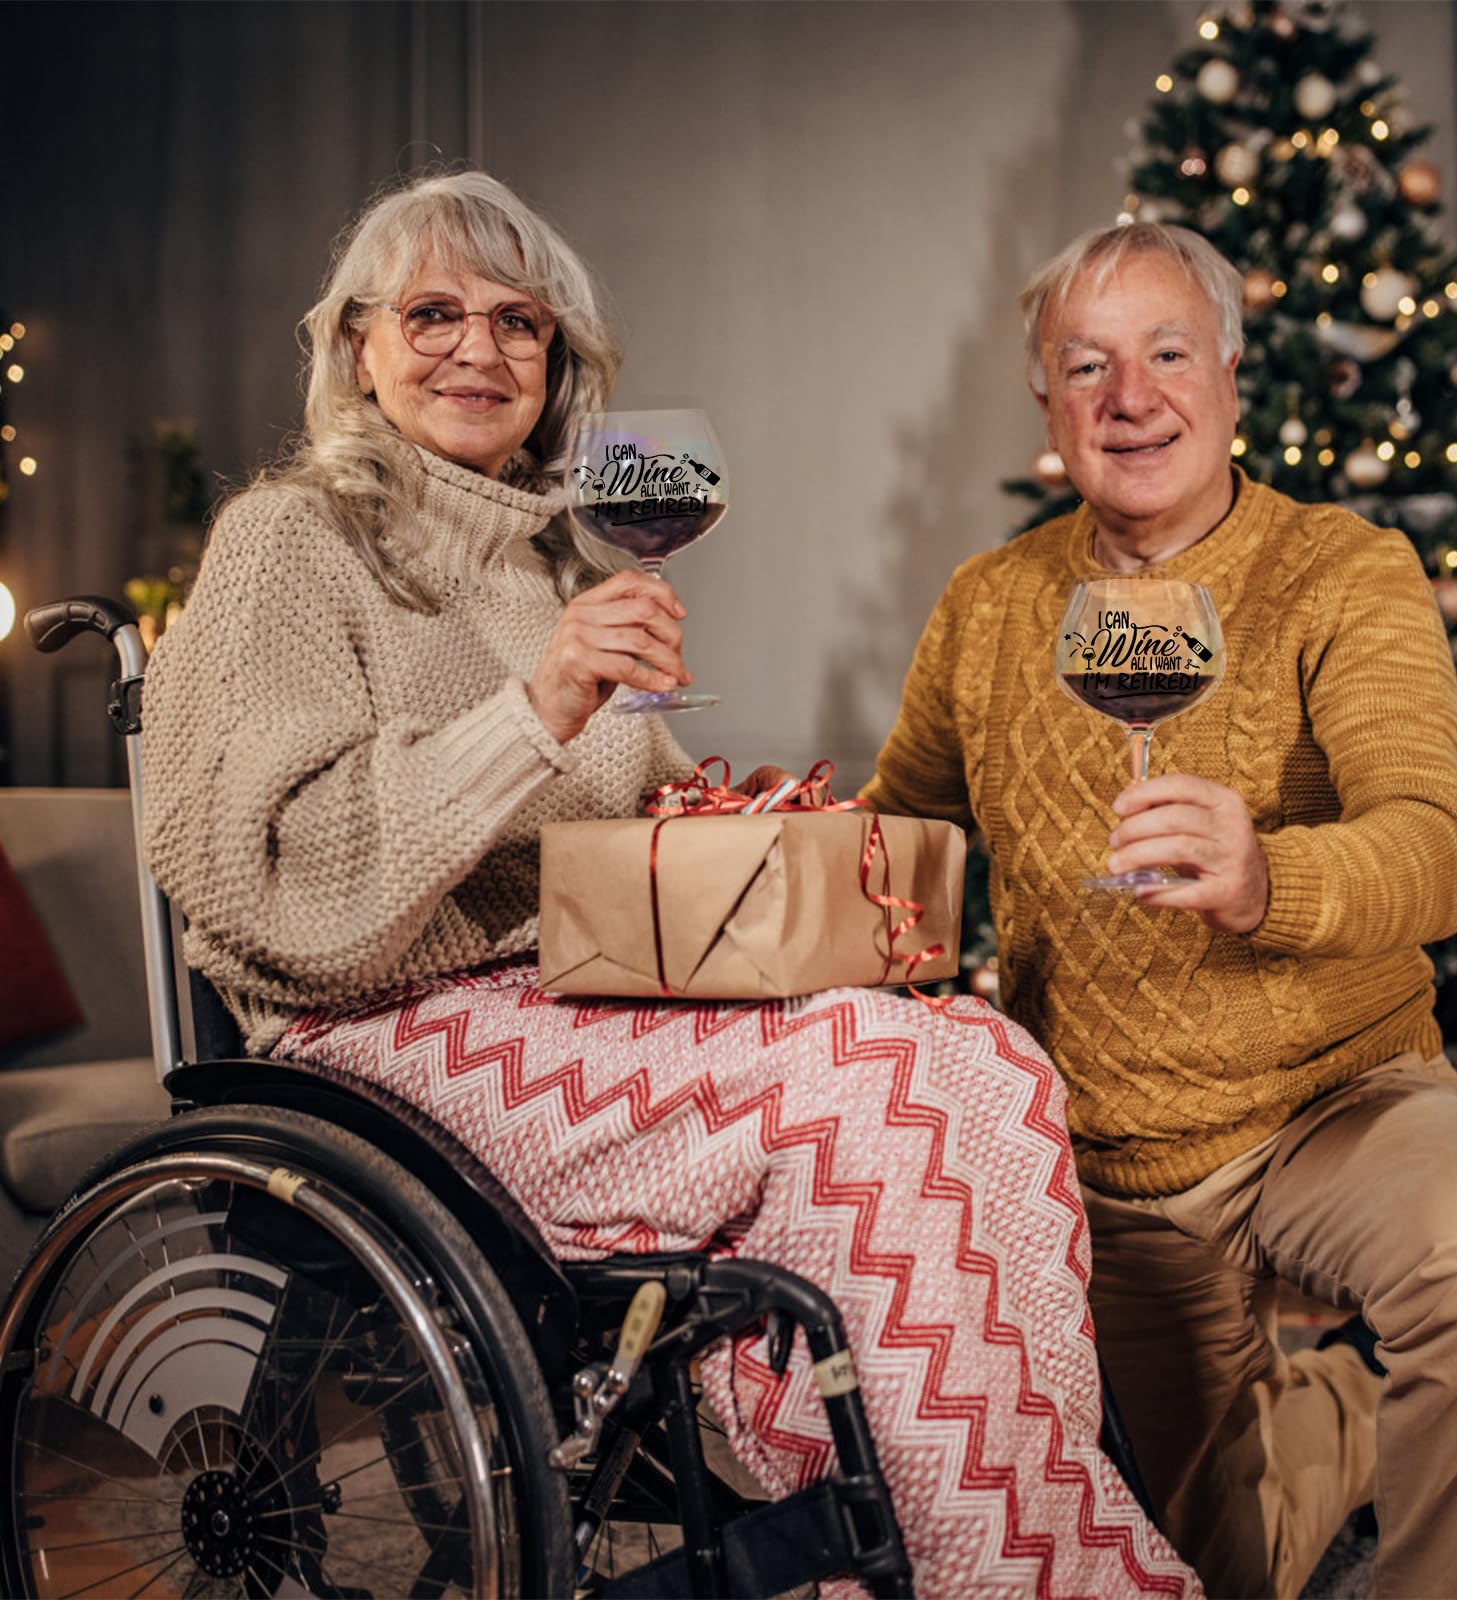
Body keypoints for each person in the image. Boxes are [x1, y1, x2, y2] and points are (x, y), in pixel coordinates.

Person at [141, 169, 1197, 1598]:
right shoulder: (289, 544)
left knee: (983, 1057)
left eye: (522, 324)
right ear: (358, 348)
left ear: (560, 365)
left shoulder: (547, 562)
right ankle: (975, 1557)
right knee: (868, 1077)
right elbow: (273, 877)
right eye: (434, 313)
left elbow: (626, 813)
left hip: (576, 1001)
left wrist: (724, 806)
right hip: (375, 1035)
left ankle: (979, 1520)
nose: (479, 349)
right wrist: (542, 702)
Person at [863, 220, 1457, 1600]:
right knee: (1208, 1577)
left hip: (1339, 1098)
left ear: (1233, 374)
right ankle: (1339, 1417)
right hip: (1111, 1161)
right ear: (1047, 402)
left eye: (1167, 353)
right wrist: (762, 851)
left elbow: (1435, 849)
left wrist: (1269, 881)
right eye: (1087, 366)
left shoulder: (1343, 570)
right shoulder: (990, 601)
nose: (1130, 398)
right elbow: (901, 837)